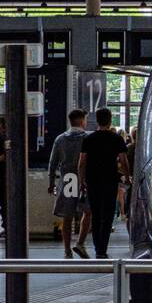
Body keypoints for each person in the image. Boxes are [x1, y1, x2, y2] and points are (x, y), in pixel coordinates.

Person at [78, 108, 128, 259]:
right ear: (110, 119)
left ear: (97, 120)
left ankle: (97, 246)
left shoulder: (89, 139)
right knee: (107, 215)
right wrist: (127, 175)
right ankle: (102, 249)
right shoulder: (116, 139)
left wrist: (82, 181)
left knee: (96, 213)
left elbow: (82, 162)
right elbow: (123, 160)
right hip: (110, 180)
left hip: (93, 180)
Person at [48, 109, 92, 259]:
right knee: (87, 211)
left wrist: (51, 182)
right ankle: (80, 242)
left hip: (67, 179)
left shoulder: (60, 139)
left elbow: (52, 163)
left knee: (67, 216)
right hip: (84, 179)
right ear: (81, 121)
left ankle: (67, 250)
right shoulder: (88, 138)